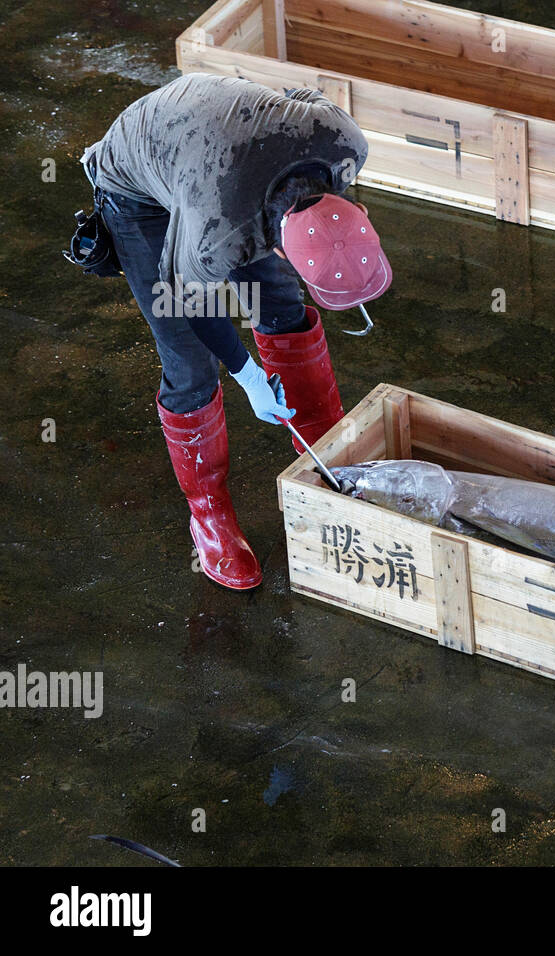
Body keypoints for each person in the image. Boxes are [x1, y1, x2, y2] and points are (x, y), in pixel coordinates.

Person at [80, 72, 391, 591]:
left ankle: (320, 437)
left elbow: (297, 95)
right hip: (140, 184)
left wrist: (253, 119)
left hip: (219, 145)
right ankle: (209, 514)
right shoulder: (218, 233)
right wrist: (247, 377)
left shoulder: (344, 144)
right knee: (188, 360)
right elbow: (188, 300)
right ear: (283, 242)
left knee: (280, 303)